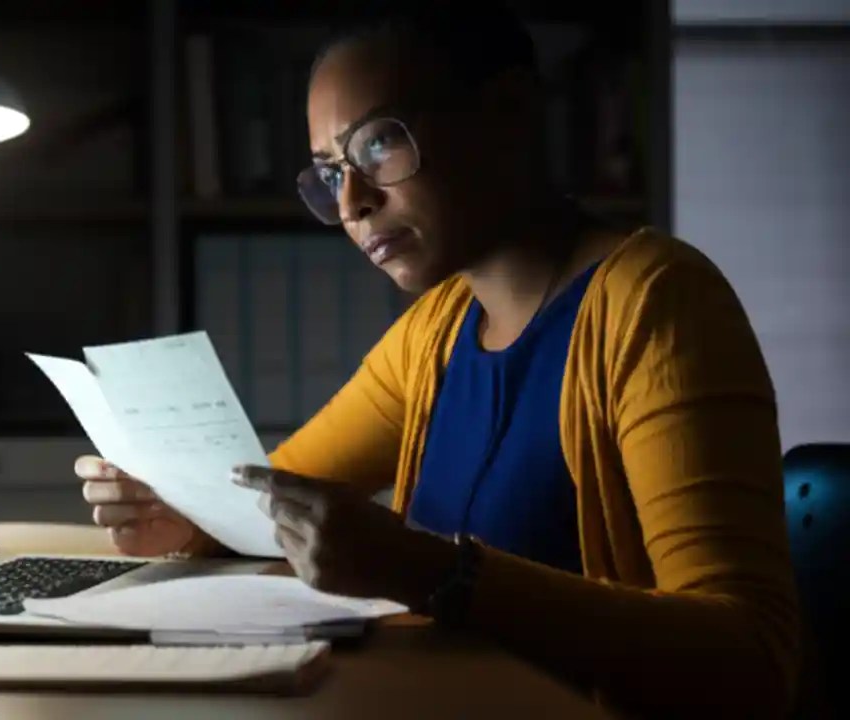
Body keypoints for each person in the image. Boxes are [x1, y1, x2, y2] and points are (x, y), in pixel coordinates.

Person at [74, 2, 800, 716]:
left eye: (378, 145)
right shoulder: (435, 334)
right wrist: (186, 519)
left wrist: (435, 572)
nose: (352, 201)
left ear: (508, 112)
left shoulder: (655, 304)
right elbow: (272, 498)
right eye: (330, 173)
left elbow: (751, 658)